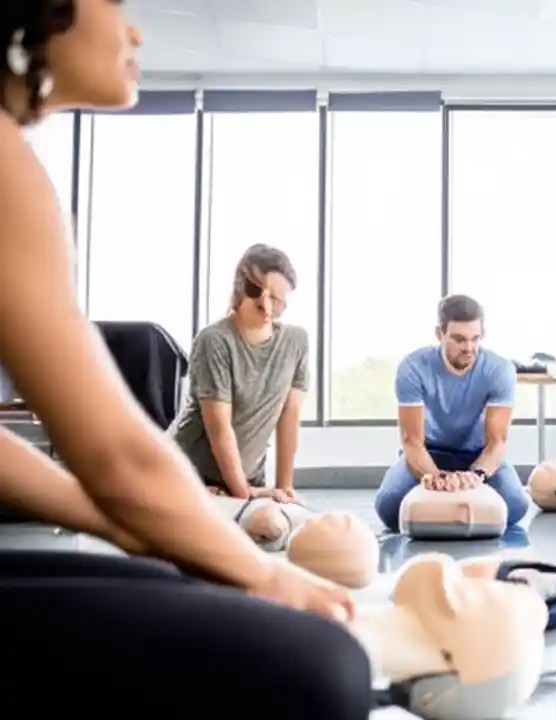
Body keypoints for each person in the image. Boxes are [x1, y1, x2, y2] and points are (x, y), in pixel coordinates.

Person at [0, 2, 369, 717]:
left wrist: (116, 523)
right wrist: (264, 576)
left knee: (185, 584)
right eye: (113, 4)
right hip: (202, 478)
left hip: (214, 493)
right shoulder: (8, 172)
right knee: (322, 665)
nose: (135, 31)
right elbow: (121, 459)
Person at [373, 294, 529, 531]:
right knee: (390, 507)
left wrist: (476, 476)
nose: (468, 348)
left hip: (477, 454)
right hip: (429, 452)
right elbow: (412, 442)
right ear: (440, 334)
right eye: (458, 339)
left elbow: (497, 442)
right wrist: (438, 479)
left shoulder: (500, 370)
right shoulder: (412, 368)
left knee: (515, 506)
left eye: (475, 339)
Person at [171, 244, 308, 504]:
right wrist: (243, 496)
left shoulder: (296, 342)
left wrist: (284, 490)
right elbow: (219, 428)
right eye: (260, 295)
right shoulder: (214, 341)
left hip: (249, 481)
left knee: (280, 527)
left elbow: (289, 416)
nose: (268, 308)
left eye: (278, 301)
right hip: (187, 475)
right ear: (241, 285)